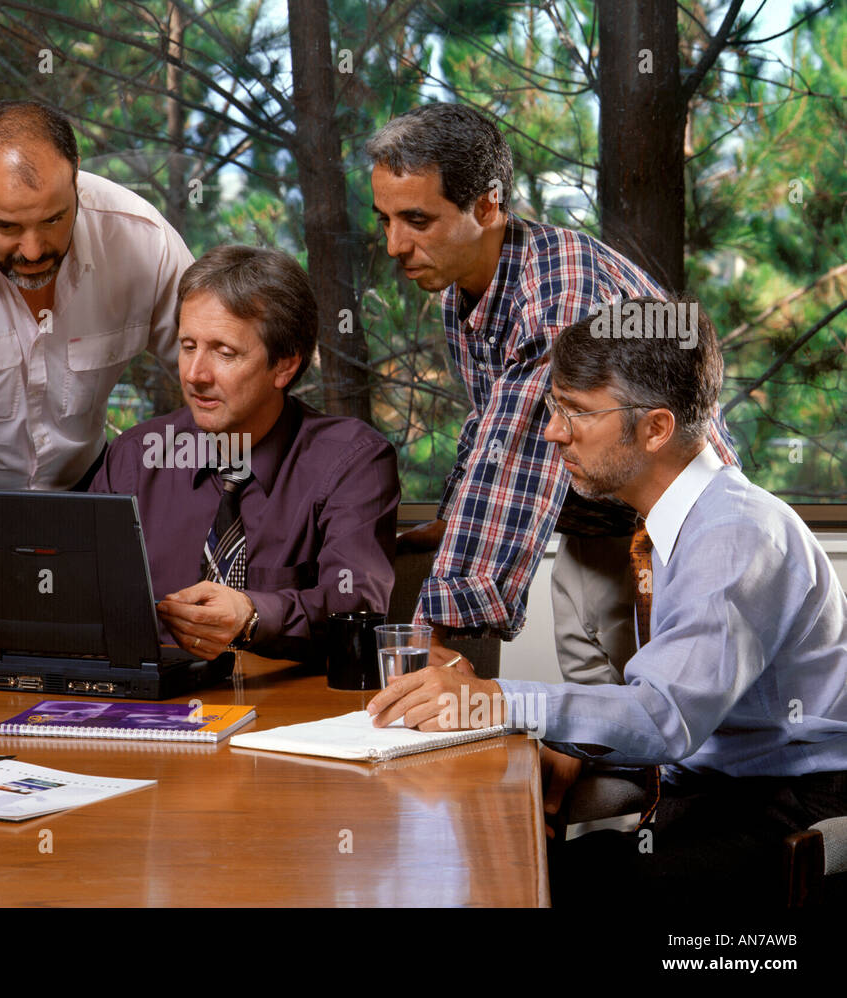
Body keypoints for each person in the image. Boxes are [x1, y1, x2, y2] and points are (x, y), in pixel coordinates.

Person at [367, 298, 847, 905]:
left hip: (787, 805)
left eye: (577, 412)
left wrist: (493, 700)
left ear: (656, 429)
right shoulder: (682, 521)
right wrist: (580, 749)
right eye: (554, 407)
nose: (553, 432)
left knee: (529, 884)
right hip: (716, 785)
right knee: (512, 862)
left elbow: (665, 717)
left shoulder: (735, 535)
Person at [367, 103, 739, 686]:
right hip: (595, 525)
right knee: (593, 720)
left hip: (668, 537)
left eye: (417, 220)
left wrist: (435, 629)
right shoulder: (461, 294)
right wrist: (451, 519)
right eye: (385, 220)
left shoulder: (559, 296)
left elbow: (518, 451)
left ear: (487, 205)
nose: (395, 245)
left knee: (664, 722)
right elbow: (492, 422)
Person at [0, 100, 193, 657]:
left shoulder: (142, 238)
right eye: (5, 226)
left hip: (81, 500)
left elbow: (218, 378)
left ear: (77, 181)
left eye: (53, 219)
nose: (33, 249)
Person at [91, 245, 399, 665]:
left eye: (224, 352)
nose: (195, 375)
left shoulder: (353, 462)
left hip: (287, 701)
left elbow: (355, 606)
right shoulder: (135, 457)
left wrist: (253, 615)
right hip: (155, 697)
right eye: (188, 346)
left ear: (284, 365)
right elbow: (82, 594)